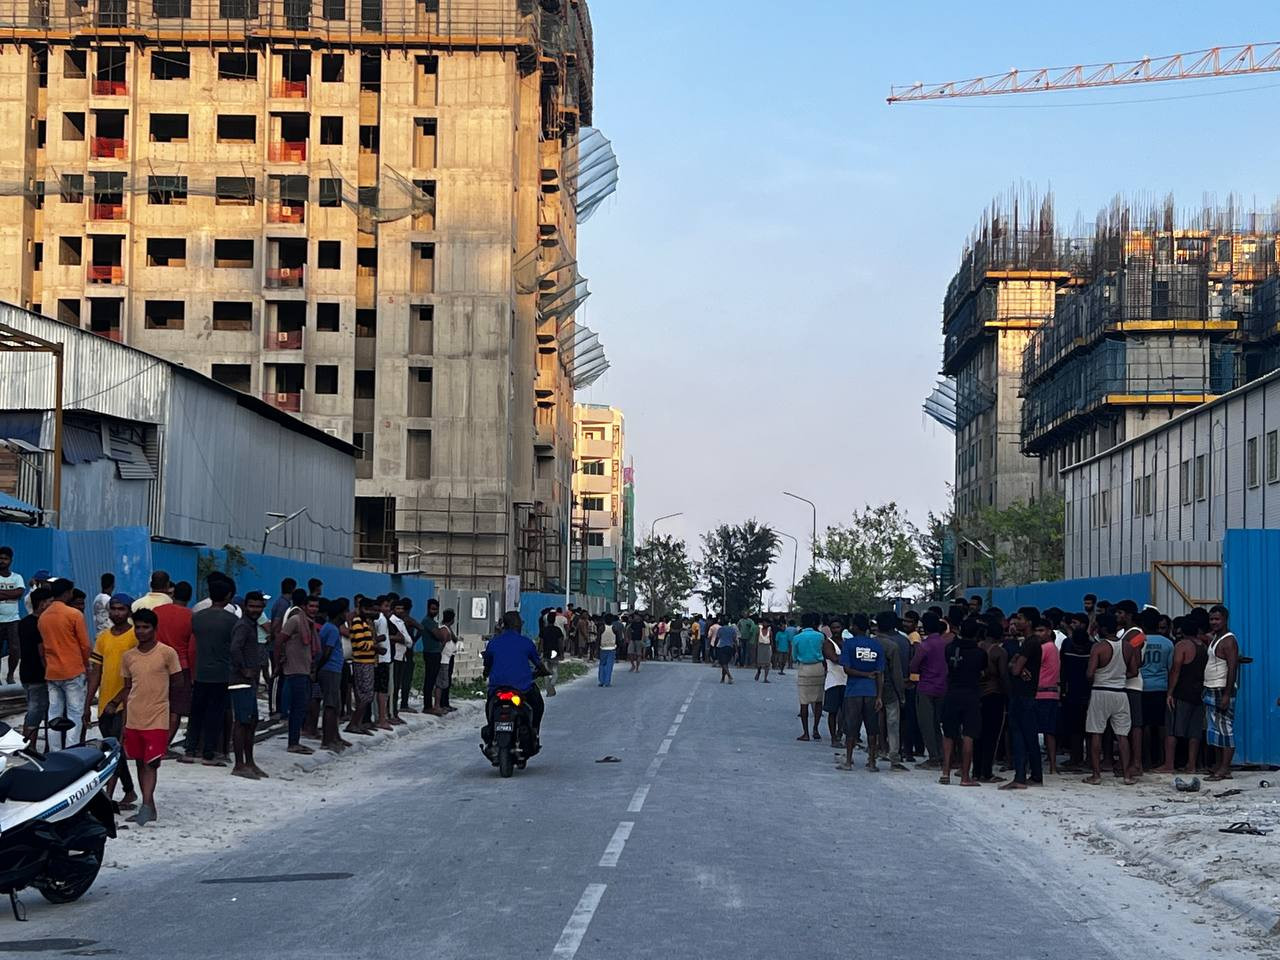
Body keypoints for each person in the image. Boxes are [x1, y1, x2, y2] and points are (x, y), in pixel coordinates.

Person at [119, 608, 181, 826]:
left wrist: (174, 717)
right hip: (134, 717)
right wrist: (124, 720)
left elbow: (178, 685)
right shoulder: (128, 657)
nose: (141, 631)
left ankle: (145, 805)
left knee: (151, 764)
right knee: (139, 762)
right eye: (138, 627)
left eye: (146, 627)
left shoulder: (167, 653)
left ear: (155, 629)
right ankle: (149, 806)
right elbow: (127, 689)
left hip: (158, 716)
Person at [84, 593, 138, 809]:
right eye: (113, 609)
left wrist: (117, 701)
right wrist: (89, 703)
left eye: (121, 609)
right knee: (113, 749)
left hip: (126, 701)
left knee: (115, 749)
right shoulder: (103, 637)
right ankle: (129, 790)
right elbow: (96, 672)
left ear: (129, 611)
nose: (117, 613)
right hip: (105, 701)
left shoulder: (136, 636)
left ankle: (112, 794)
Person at [182, 577, 237, 766]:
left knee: (196, 712)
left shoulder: (197, 618)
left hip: (201, 672)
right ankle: (209, 752)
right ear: (228, 595)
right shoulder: (232, 620)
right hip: (221, 673)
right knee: (215, 714)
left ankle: (190, 749)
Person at [1083, 611, 1136, 786]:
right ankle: (1127, 774)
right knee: (1122, 735)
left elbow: (1090, 674)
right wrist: (1118, 675)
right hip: (1121, 693)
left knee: (1096, 733)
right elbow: (1134, 671)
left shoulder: (1098, 647)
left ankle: (1096, 775)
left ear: (1103, 629)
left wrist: (1100, 675)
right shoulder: (1128, 646)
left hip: (1100, 691)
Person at [480, 611, 545, 754]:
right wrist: (544, 671)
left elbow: (487, 664)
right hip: (522, 688)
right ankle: (534, 731)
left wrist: (486, 673)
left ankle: (491, 729)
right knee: (538, 704)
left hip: (497, 688)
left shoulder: (494, 642)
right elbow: (538, 664)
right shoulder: (526, 642)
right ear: (518, 625)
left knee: (490, 705)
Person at [38, 578, 91, 750]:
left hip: (52, 672)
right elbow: (85, 645)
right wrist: (87, 666)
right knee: (75, 714)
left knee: (54, 714)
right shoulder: (74, 614)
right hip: (73, 670)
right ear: (67, 593)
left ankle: (54, 752)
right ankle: (72, 750)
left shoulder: (43, 616)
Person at [1160, 608, 1209, 774]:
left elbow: (1176, 670)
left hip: (1182, 691)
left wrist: (1170, 692)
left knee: (1172, 729)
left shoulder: (1182, 645)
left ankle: (1168, 764)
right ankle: (1192, 765)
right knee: (1195, 732)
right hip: (1199, 692)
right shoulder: (1204, 645)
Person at [940, 618, 987, 786]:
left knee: (948, 734)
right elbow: (982, 672)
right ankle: (965, 777)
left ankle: (945, 772)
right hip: (971, 695)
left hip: (952, 693)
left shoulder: (949, 649)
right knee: (969, 735)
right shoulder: (980, 653)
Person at [229, 591, 268, 777]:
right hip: (240, 681)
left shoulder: (251, 625)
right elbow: (234, 648)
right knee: (242, 722)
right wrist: (244, 669)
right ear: (245, 606)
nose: (255, 610)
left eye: (259, 607)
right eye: (252, 606)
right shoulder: (243, 626)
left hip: (249, 681)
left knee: (251, 722)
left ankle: (249, 762)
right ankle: (239, 765)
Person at [153, 579, 193, 755]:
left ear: (173, 594)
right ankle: (165, 745)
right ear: (189, 597)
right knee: (175, 708)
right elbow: (192, 647)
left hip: (156, 664)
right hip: (181, 666)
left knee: (155, 705)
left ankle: (152, 742)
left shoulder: (157, 612)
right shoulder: (191, 617)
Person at [839, 623, 884, 772]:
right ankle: (871, 762)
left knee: (851, 726)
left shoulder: (849, 644)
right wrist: (879, 696)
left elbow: (847, 669)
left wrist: (863, 674)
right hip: (871, 691)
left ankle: (848, 761)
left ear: (856, 627)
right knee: (872, 728)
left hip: (853, 691)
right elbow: (880, 673)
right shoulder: (876, 645)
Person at [12, 587, 51, 750]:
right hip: (37, 675)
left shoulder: (24, 623)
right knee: (36, 710)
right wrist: (49, 671)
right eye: (49, 602)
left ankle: (31, 745)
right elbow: (41, 651)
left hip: (27, 673)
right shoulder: (39, 624)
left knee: (39, 709)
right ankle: (29, 746)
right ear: (42, 604)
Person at [1204, 604, 1240, 781]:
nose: (1214, 622)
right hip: (1212, 688)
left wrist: (1226, 694)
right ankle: (1219, 766)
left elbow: (1233, 667)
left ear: (1225, 619)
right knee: (1216, 730)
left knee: (1225, 729)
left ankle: (1225, 768)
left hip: (1221, 689)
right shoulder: (1216, 638)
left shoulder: (1229, 640)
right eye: (1211, 619)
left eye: (1217, 619)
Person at [909, 612, 948, 769]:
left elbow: (913, 666)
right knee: (937, 724)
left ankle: (933, 757)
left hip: (926, 687)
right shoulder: (945, 643)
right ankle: (941, 754)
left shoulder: (925, 645)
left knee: (926, 724)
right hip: (943, 687)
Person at [1114, 600, 1146, 779]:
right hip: (1123, 683)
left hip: (1132, 684)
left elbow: (1134, 658)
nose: (1118, 616)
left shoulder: (1138, 634)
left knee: (1135, 725)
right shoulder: (1125, 633)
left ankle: (1136, 763)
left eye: (1120, 613)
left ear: (1129, 614)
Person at [1139, 608, 1174, 769]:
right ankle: (1161, 758)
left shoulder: (1138, 640)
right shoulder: (1167, 643)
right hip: (1161, 687)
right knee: (1161, 725)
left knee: (1144, 724)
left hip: (1142, 686)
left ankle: (1145, 759)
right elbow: (1171, 667)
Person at [975, 619, 1008, 783]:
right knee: (992, 735)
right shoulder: (999, 652)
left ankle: (976, 770)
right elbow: (1003, 676)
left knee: (977, 735)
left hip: (976, 695)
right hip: (994, 695)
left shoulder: (977, 647)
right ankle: (986, 772)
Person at [873, 612, 908, 768]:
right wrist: (901, 693)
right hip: (890, 687)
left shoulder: (871, 643)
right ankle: (894, 755)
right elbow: (897, 672)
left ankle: (876, 749)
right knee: (893, 723)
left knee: (873, 719)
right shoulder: (902, 642)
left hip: (871, 686)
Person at [345, 596, 380, 736]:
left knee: (366, 695)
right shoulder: (357, 622)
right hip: (362, 662)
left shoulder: (365, 623)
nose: (369, 612)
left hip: (367, 662)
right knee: (365, 695)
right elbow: (360, 644)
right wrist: (376, 647)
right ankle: (353, 723)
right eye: (366, 609)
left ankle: (357, 723)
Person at [1035, 614, 1062, 776]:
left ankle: (1034, 765)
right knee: (1049, 733)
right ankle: (1052, 766)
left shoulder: (1044, 649)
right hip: (1052, 694)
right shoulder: (1054, 648)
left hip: (1040, 694)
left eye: (1041, 630)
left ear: (1048, 631)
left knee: (1032, 731)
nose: (1039, 634)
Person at [791, 613, 825, 740]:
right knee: (818, 701)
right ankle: (816, 729)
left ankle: (806, 733)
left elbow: (794, 657)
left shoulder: (797, 638)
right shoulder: (820, 636)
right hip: (818, 668)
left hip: (804, 669)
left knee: (804, 702)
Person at [822, 618, 848, 747]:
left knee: (844, 711)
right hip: (833, 681)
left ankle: (840, 733)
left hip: (846, 681)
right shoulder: (828, 643)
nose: (836, 630)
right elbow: (833, 658)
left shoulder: (845, 642)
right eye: (833, 628)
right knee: (833, 712)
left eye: (838, 627)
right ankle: (834, 738)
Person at [0, 546, 24, 683]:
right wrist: (11, 594)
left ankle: (10, 675)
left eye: (5, 558)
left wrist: (2, 594)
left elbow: (19, 593)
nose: (2, 561)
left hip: (13, 620)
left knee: (15, 649)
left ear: (10, 560)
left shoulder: (17, 577)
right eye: (0, 558)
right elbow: (15, 594)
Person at [389, 599, 413, 720]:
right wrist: (401, 639)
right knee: (393, 686)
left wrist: (402, 639)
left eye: (401, 609)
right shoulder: (392, 621)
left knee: (397, 686)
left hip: (401, 657)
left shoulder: (401, 622)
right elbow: (401, 639)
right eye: (397, 608)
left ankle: (394, 712)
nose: (400, 611)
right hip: (395, 657)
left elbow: (409, 641)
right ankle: (392, 712)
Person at [434, 609, 458, 712]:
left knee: (446, 681)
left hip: (449, 658)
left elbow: (455, 639)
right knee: (442, 682)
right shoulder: (444, 629)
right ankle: (441, 704)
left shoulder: (448, 628)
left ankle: (445, 703)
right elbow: (443, 644)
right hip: (444, 659)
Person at [540, 609, 563, 696]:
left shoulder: (544, 630)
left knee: (546, 672)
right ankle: (552, 685)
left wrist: (539, 652)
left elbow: (541, 642)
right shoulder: (557, 630)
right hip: (555, 653)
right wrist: (562, 653)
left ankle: (549, 689)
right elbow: (560, 642)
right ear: (554, 620)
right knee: (555, 672)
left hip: (546, 652)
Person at [715, 617, 738, 685]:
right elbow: (735, 640)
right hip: (730, 647)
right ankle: (722, 678)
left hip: (722, 646)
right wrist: (736, 650)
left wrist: (715, 646)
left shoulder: (720, 629)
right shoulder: (732, 629)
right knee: (725, 663)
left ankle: (729, 676)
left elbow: (717, 638)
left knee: (723, 663)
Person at [598, 613, 618, 687]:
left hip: (603, 648)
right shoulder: (614, 628)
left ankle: (601, 681)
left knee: (602, 665)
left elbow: (598, 639)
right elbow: (618, 639)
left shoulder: (601, 628)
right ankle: (607, 682)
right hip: (612, 649)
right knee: (609, 666)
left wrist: (596, 649)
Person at [754, 618, 772, 683]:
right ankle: (758, 672)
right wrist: (756, 646)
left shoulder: (770, 630)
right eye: (764, 622)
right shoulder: (759, 630)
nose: (765, 624)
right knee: (759, 663)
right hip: (760, 646)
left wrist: (772, 647)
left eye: (766, 623)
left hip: (767, 647)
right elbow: (756, 638)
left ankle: (765, 678)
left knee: (767, 663)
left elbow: (771, 639)